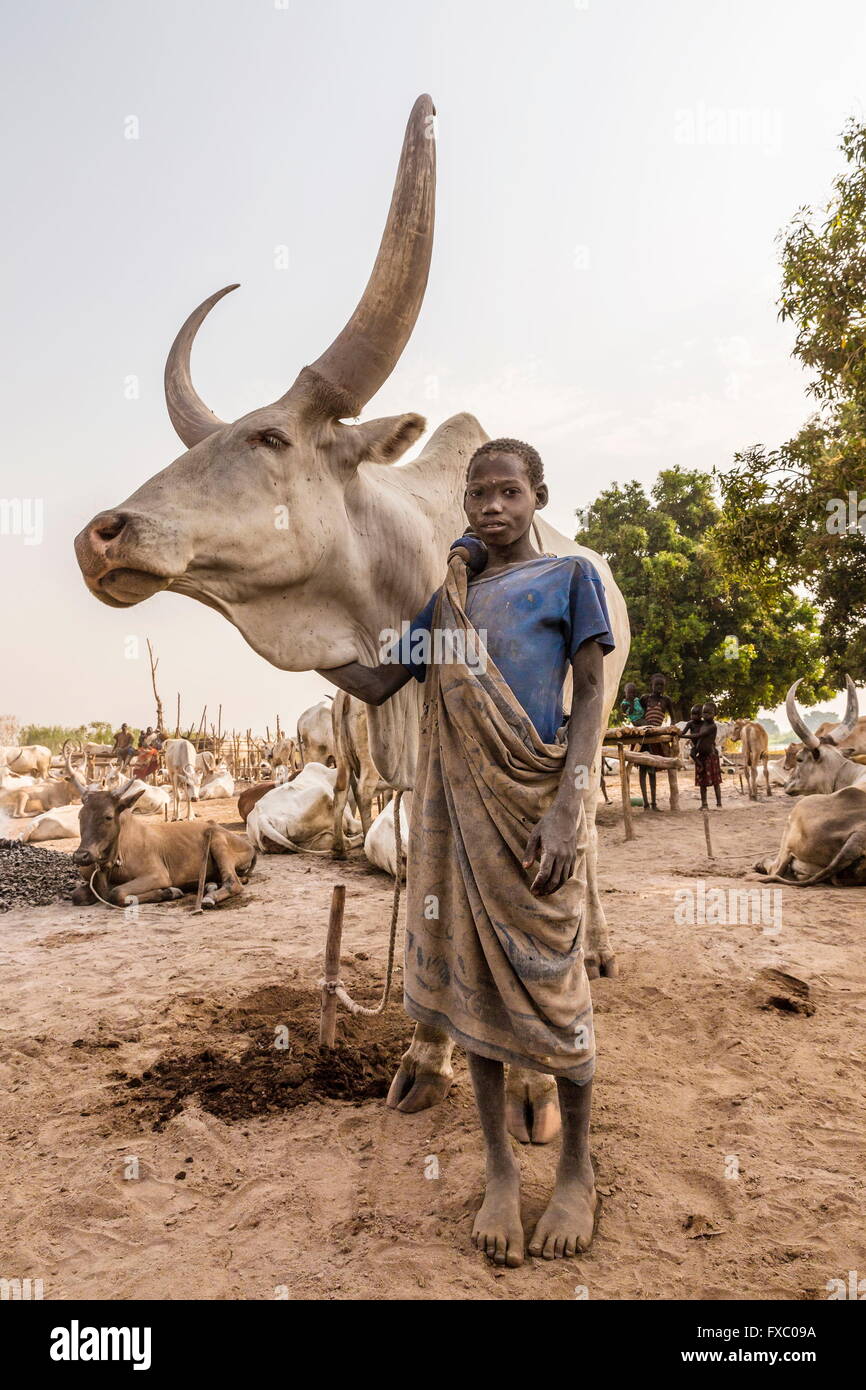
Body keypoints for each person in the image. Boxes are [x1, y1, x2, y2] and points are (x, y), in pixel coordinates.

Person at [318, 436, 616, 1267]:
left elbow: (588, 698)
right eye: (479, 494)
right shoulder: (448, 604)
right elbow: (382, 682)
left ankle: (575, 1171)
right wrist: (287, 628)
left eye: (508, 493)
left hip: (537, 810)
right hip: (461, 826)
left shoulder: (569, 578)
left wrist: (569, 807)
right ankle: (495, 1173)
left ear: (538, 497)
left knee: (560, 997)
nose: (491, 507)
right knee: (471, 985)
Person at [637, 673, 675, 810]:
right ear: (651, 685)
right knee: (642, 770)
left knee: (652, 770)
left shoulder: (666, 701)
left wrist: (670, 732)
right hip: (643, 738)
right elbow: (637, 715)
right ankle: (645, 803)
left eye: (662, 685)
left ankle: (653, 803)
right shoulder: (645, 699)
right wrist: (643, 725)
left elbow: (673, 719)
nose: (659, 688)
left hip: (655, 739)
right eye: (657, 685)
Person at [692, 701, 723, 808]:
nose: (706, 715)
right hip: (701, 756)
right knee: (702, 783)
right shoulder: (701, 724)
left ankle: (719, 802)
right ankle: (704, 803)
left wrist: (681, 736)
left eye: (709, 713)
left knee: (716, 782)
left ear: (715, 714)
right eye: (704, 713)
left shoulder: (712, 726)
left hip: (711, 757)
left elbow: (699, 735)